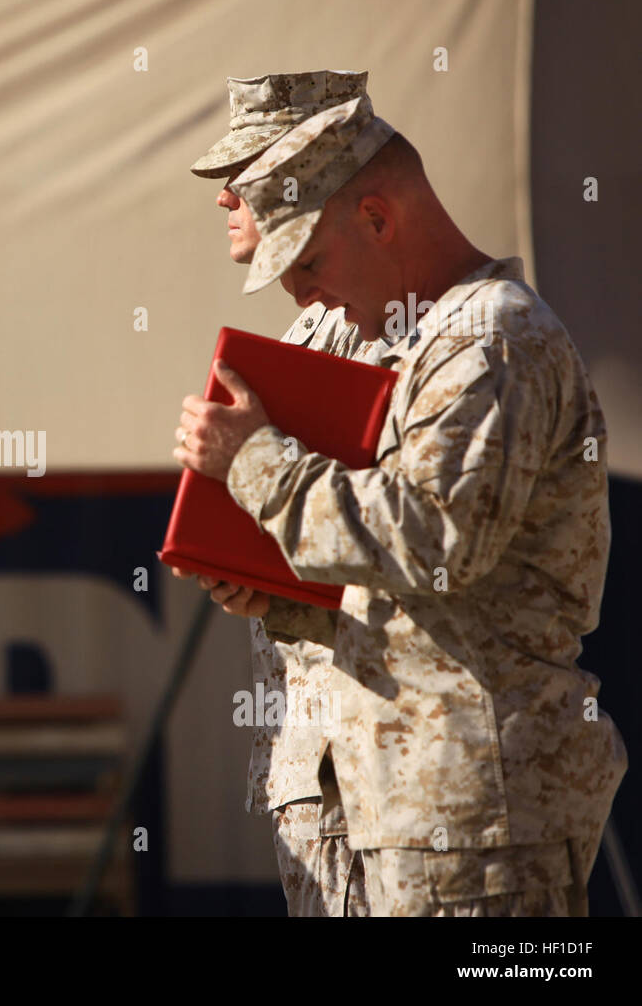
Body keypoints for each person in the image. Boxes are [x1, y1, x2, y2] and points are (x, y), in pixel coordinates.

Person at [176, 96, 627, 915]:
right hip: (401, 800)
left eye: (309, 264)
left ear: (378, 218)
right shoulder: (415, 335)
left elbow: (437, 537)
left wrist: (257, 464)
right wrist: (287, 600)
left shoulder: (491, 336)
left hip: (476, 812)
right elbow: (426, 607)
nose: (304, 299)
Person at [176, 70, 376, 916]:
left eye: (254, 168)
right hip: (315, 762)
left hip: (387, 772)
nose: (228, 195)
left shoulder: (416, 329)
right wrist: (263, 591)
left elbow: (425, 560)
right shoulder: (312, 330)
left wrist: (254, 461)